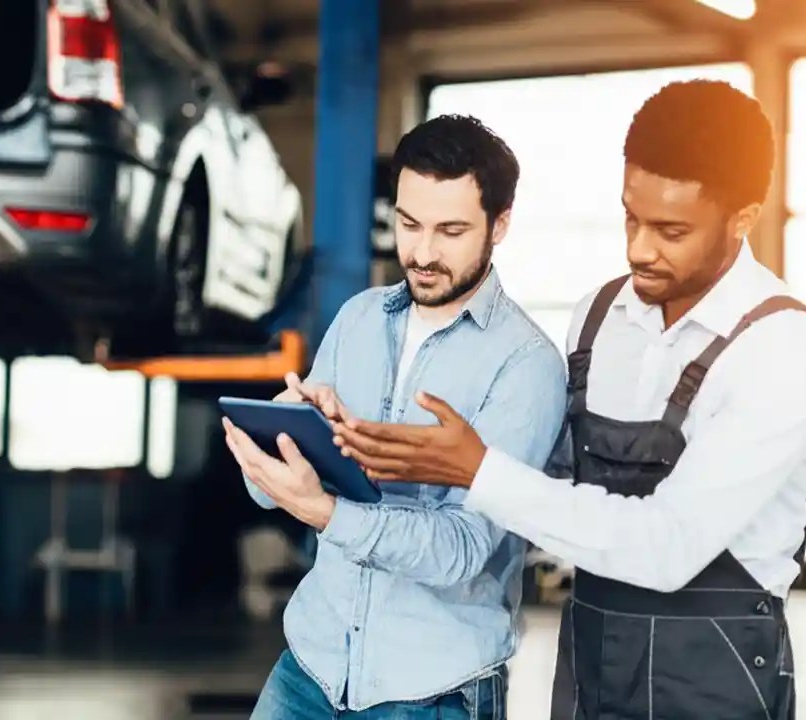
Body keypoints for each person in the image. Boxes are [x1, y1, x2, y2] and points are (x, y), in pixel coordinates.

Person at [333, 80, 806, 720]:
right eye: (630, 215)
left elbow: (667, 547)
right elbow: (559, 485)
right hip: (591, 660)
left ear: (744, 218)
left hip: (717, 676)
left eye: (671, 230)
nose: (638, 248)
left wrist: (477, 467)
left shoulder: (780, 348)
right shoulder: (599, 319)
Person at [222, 114, 567, 719]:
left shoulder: (527, 366)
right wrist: (280, 441)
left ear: (500, 225)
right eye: (409, 224)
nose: (424, 251)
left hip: (430, 692)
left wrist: (324, 512)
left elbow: (463, 550)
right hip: (311, 666)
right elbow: (267, 496)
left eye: (451, 230)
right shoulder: (358, 319)